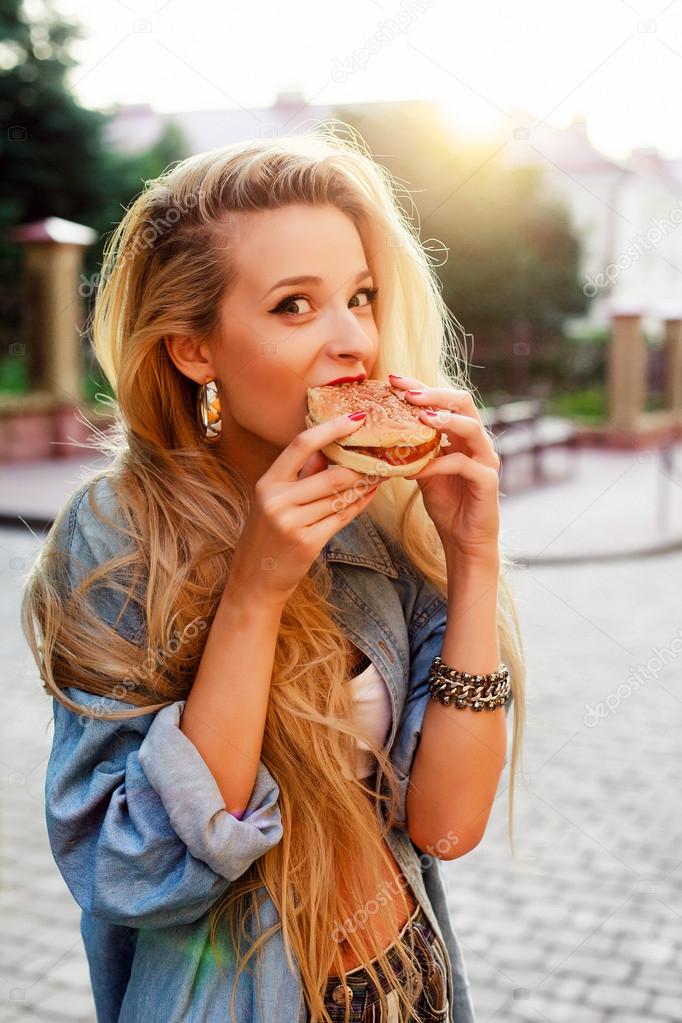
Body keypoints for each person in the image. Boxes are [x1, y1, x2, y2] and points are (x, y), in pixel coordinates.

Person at [21, 123, 526, 1023]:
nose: (353, 343)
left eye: (361, 298)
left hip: (412, 983)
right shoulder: (117, 534)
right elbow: (127, 869)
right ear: (194, 349)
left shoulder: (379, 512)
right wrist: (256, 589)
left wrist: (472, 557)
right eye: (295, 305)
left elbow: (448, 825)